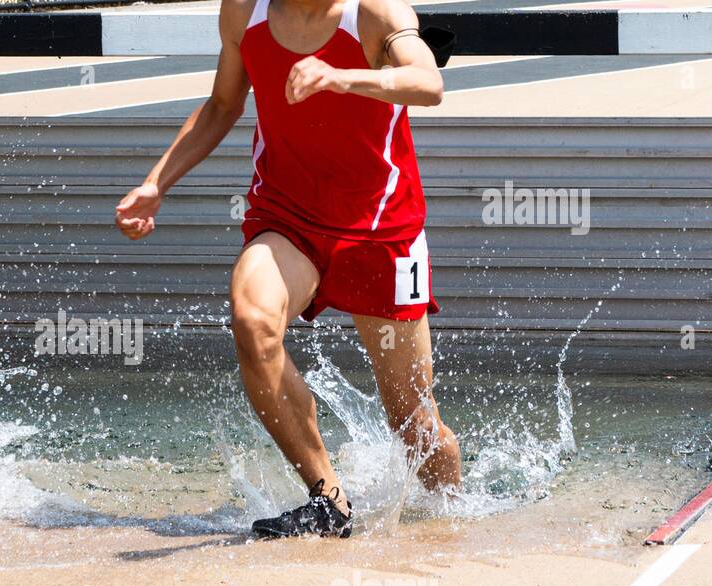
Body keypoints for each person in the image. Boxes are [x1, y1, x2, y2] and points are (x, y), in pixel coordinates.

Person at [115, 0, 461, 538]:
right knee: (253, 321)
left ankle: (452, 513)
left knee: (412, 419)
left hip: (380, 227)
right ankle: (328, 500)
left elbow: (427, 83)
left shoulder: (375, 13)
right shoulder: (244, 12)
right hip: (288, 217)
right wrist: (158, 182)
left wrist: (340, 77)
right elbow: (221, 104)